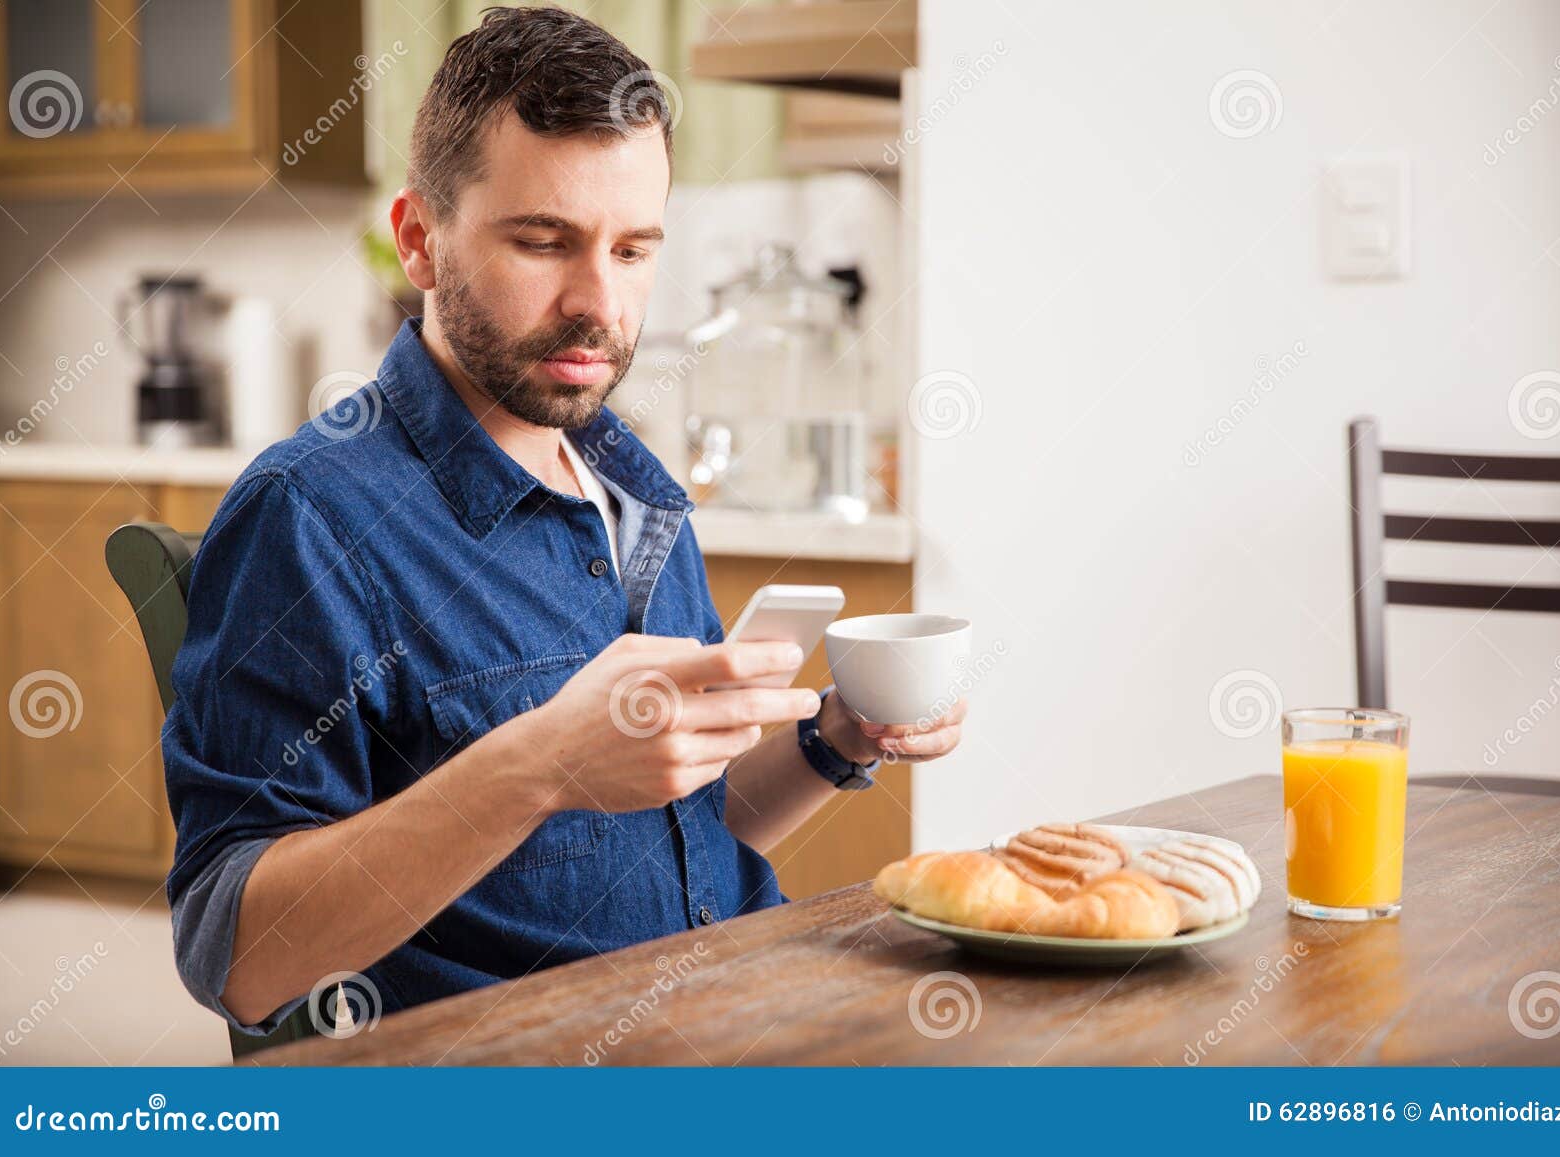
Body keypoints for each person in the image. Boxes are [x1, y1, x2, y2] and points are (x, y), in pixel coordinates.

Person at [164, 5, 967, 1035]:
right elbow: (234, 954)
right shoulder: (311, 513)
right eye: (544, 242)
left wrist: (834, 741)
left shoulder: (635, 490)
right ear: (419, 238)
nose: (599, 301)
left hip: (725, 1026)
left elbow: (677, 839)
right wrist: (535, 767)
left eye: (633, 250)